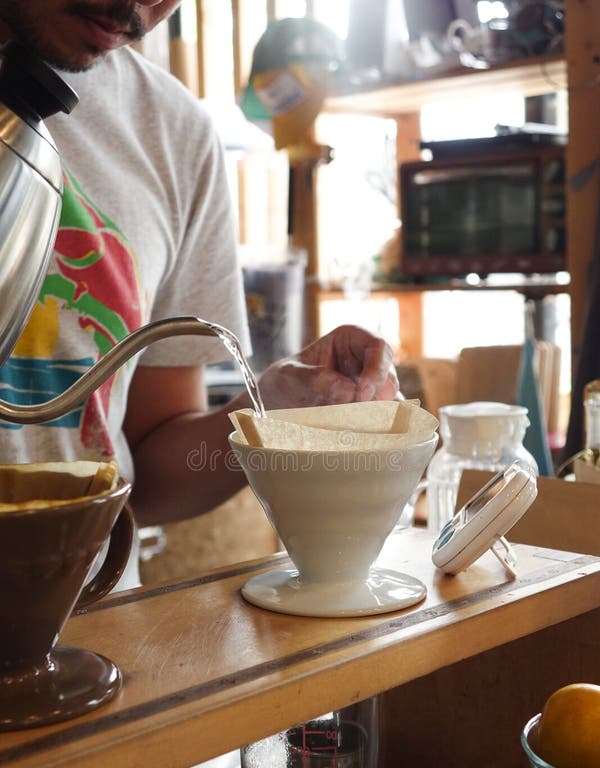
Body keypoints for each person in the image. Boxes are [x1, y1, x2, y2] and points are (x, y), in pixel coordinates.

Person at [0, 0, 399, 581]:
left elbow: (148, 473)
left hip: (87, 633)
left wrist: (271, 415)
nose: (140, 7)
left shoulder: (171, 131)